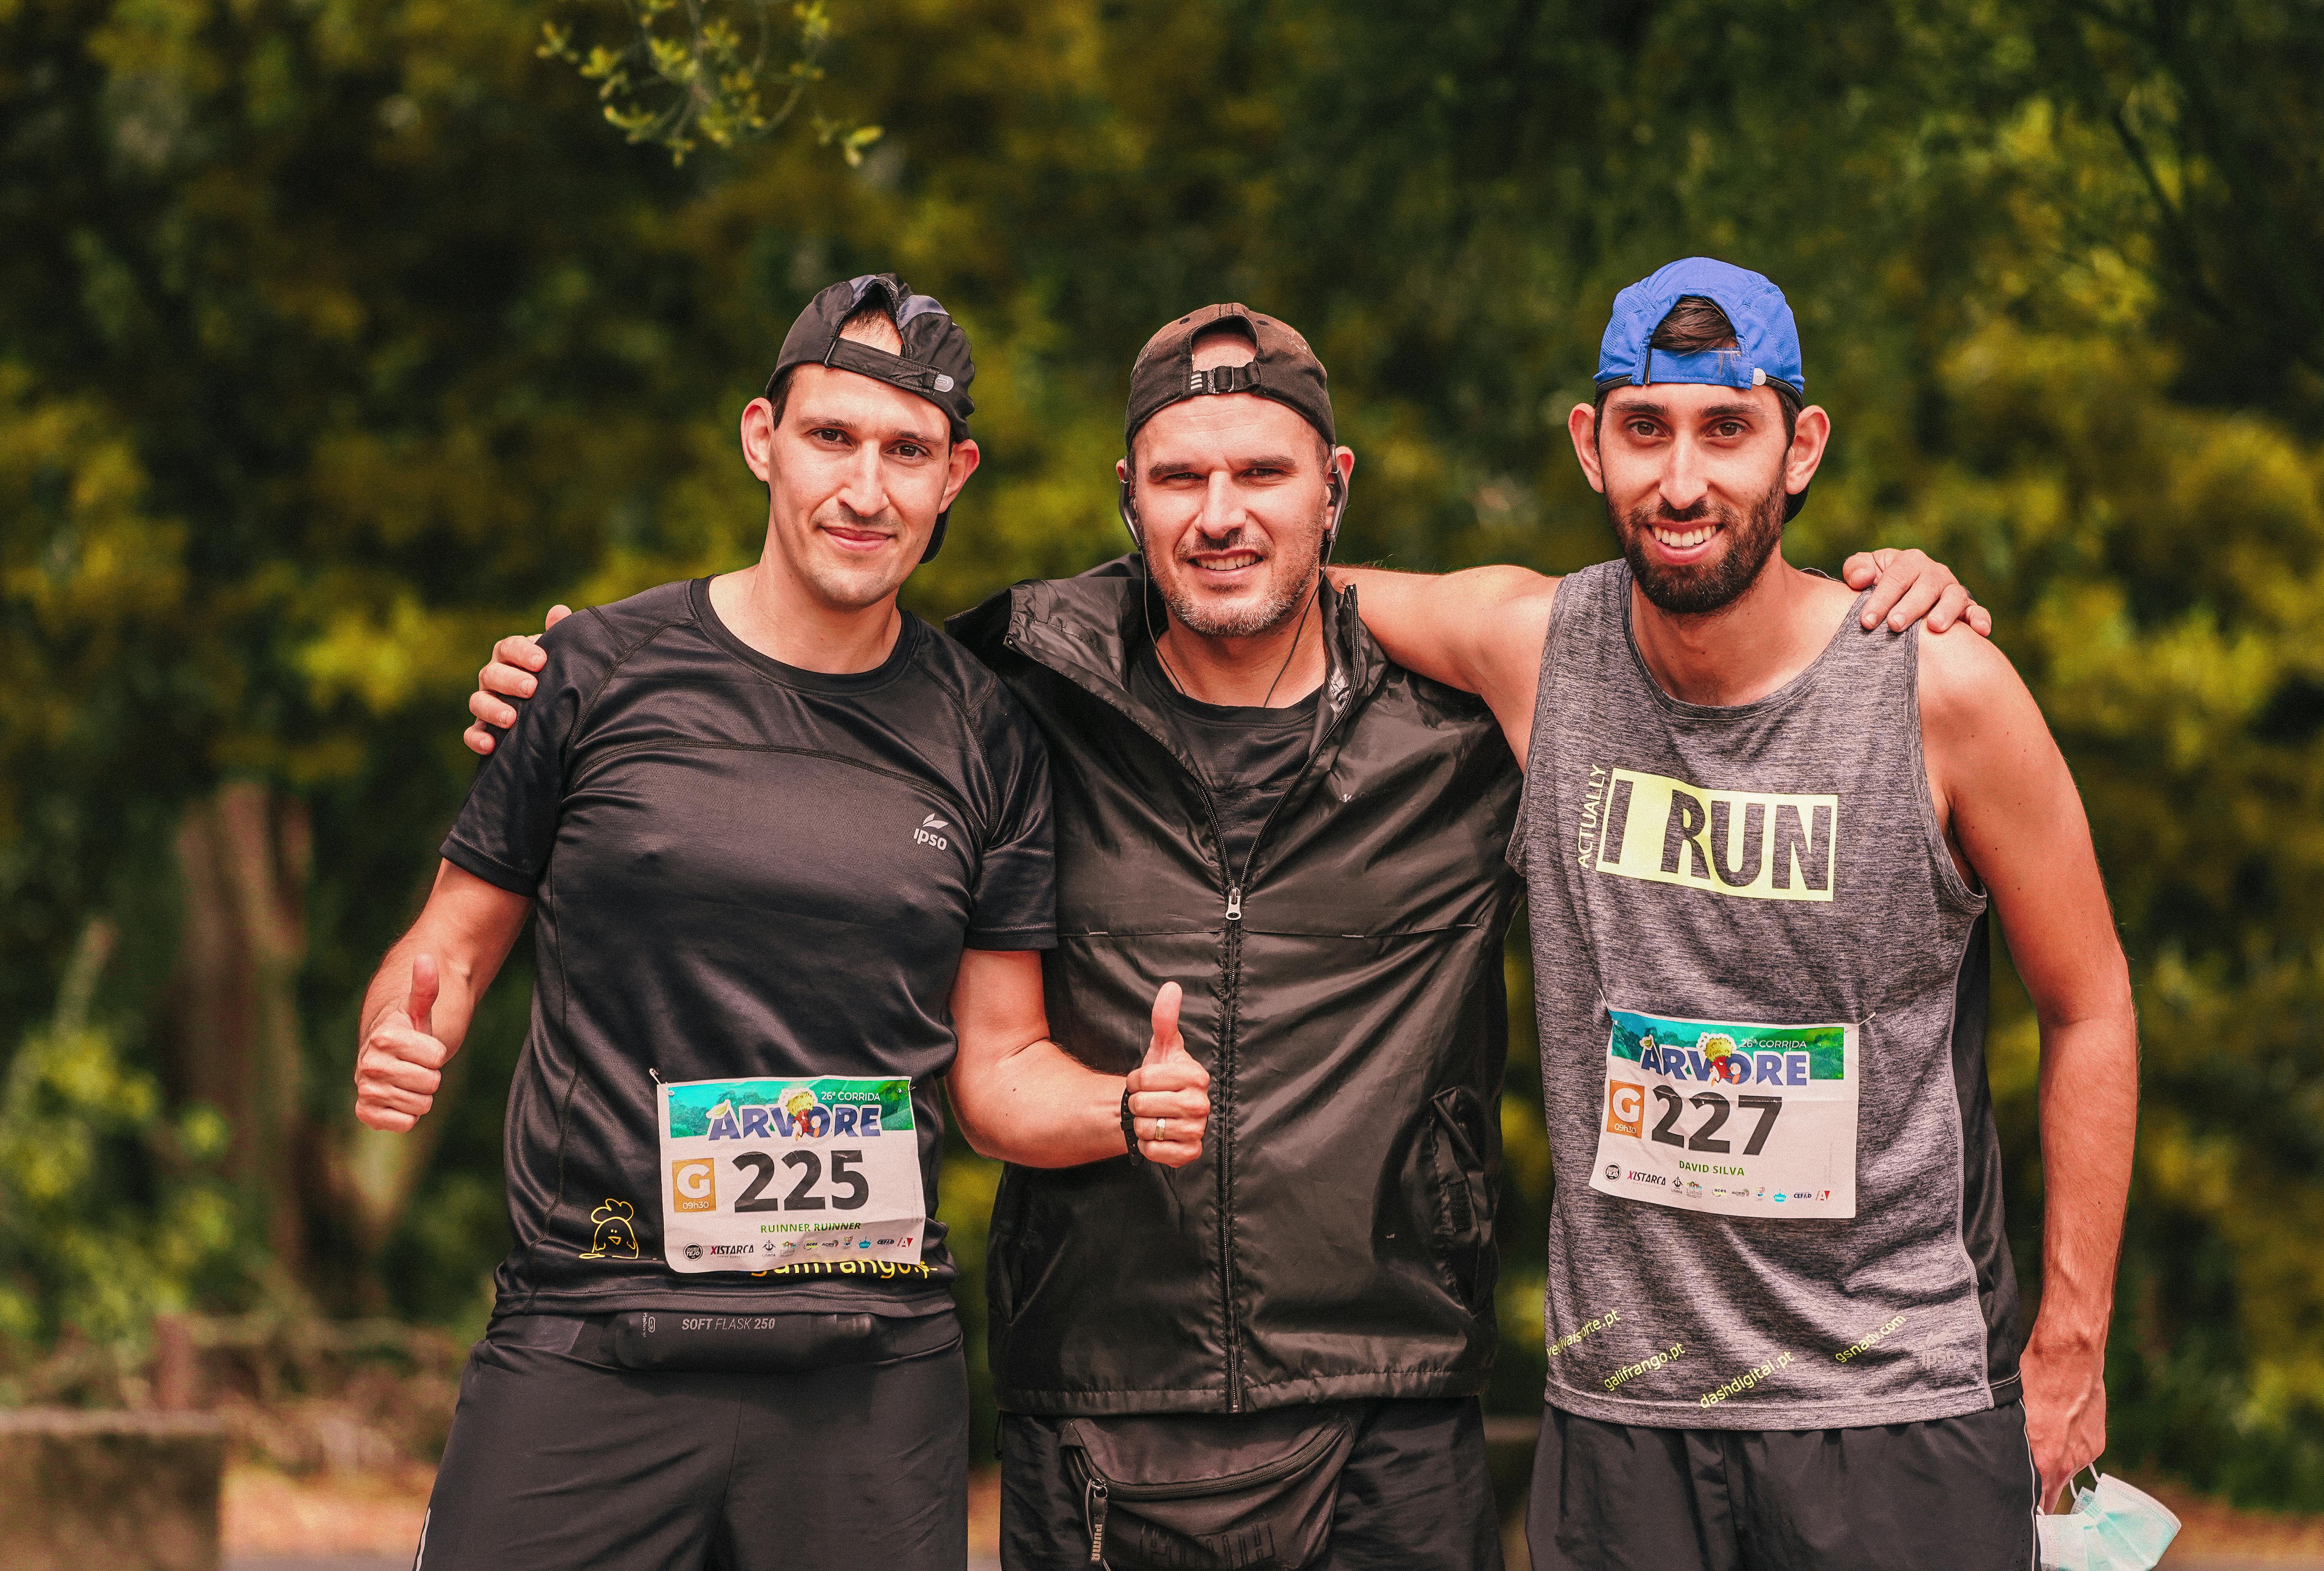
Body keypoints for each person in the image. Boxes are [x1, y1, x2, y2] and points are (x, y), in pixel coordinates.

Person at [462, 298, 1986, 1569]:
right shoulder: (1014, 691)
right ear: (1126, 496)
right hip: (1102, 1398)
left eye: (1262, 472)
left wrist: (1881, 598)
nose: (1221, 513)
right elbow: (809, 668)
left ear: (1334, 488)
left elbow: (1709, 663)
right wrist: (593, 685)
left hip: (1397, 1395)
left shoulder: (1469, 721)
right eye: (1180, 477)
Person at [353, 273, 1210, 1571]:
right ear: (763, 438)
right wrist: (400, 1032)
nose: (865, 489)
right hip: (593, 1328)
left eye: (907, 452)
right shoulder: (593, 673)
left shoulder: (988, 734)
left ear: (955, 476)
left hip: (866, 1367)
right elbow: (447, 950)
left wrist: (1124, 1109)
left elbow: (996, 1073)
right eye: (832, 438)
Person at [1332, 257, 2138, 1569]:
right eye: (1646, 428)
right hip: (1624, 1416)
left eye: (1727, 429)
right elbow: (1280, 587)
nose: (1682, 479)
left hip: (1897, 1407)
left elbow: (2091, 1006)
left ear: (1799, 448)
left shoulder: (1939, 690)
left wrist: (2072, 1342)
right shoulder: (1538, 649)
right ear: (1590, 446)